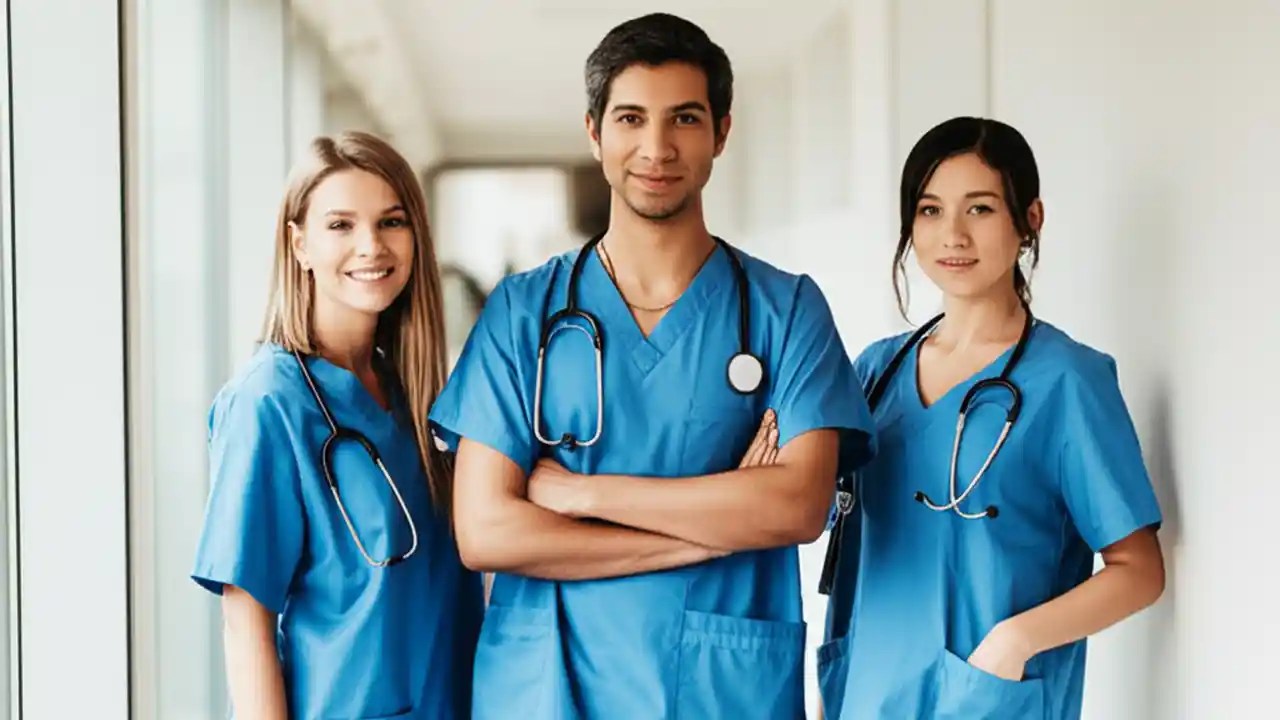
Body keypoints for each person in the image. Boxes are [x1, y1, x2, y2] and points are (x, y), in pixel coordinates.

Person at [427, 12, 874, 720]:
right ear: (594, 132)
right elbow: (486, 531)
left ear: (722, 133)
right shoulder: (523, 313)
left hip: (718, 692)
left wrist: (584, 496)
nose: (657, 147)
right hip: (547, 690)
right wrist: (713, 526)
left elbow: (797, 505)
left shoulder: (785, 311)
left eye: (685, 119)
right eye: (631, 117)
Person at [817, 116, 1166, 720]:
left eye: (978, 209)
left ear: (1030, 219)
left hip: (985, 699)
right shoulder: (876, 370)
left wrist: (1014, 642)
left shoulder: (1066, 381)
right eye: (930, 211)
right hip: (866, 694)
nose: (952, 234)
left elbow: (1139, 571)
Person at [190, 131, 482, 720]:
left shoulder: (413, 397)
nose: (371, 246)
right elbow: (245, 617)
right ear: (299, 244)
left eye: (391, 222)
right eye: (341, 225)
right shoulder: (269, 402)